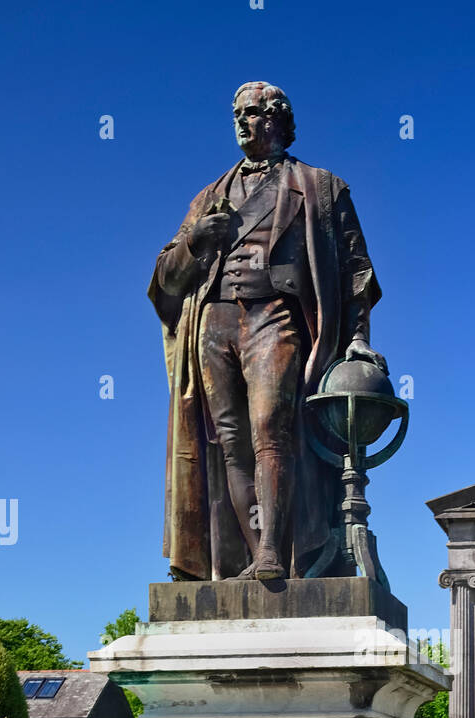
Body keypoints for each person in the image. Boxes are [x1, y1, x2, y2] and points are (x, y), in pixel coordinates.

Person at [149, 81, 386, 581]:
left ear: (279, 118)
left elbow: (356, 274)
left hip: (275, 318)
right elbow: (164, 279)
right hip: (213, 323)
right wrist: (193, 242)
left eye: (253, 112)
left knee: (269, 430)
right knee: (230, 442)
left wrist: (359, 339)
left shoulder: (321, 187)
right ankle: (255, 554)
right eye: (236, 112)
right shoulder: (210, 195)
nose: (242, 121)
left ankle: (276, 553)